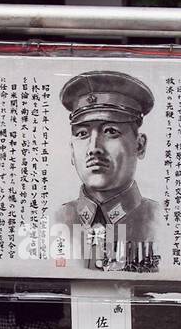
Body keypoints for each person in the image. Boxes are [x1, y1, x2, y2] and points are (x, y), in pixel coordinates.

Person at [50, 70, 162, 273]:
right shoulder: (55, 221)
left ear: (140, 145)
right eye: (82, 133)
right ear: (72, 150)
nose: (94, 147)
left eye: (110, 131)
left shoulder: (160, 222)